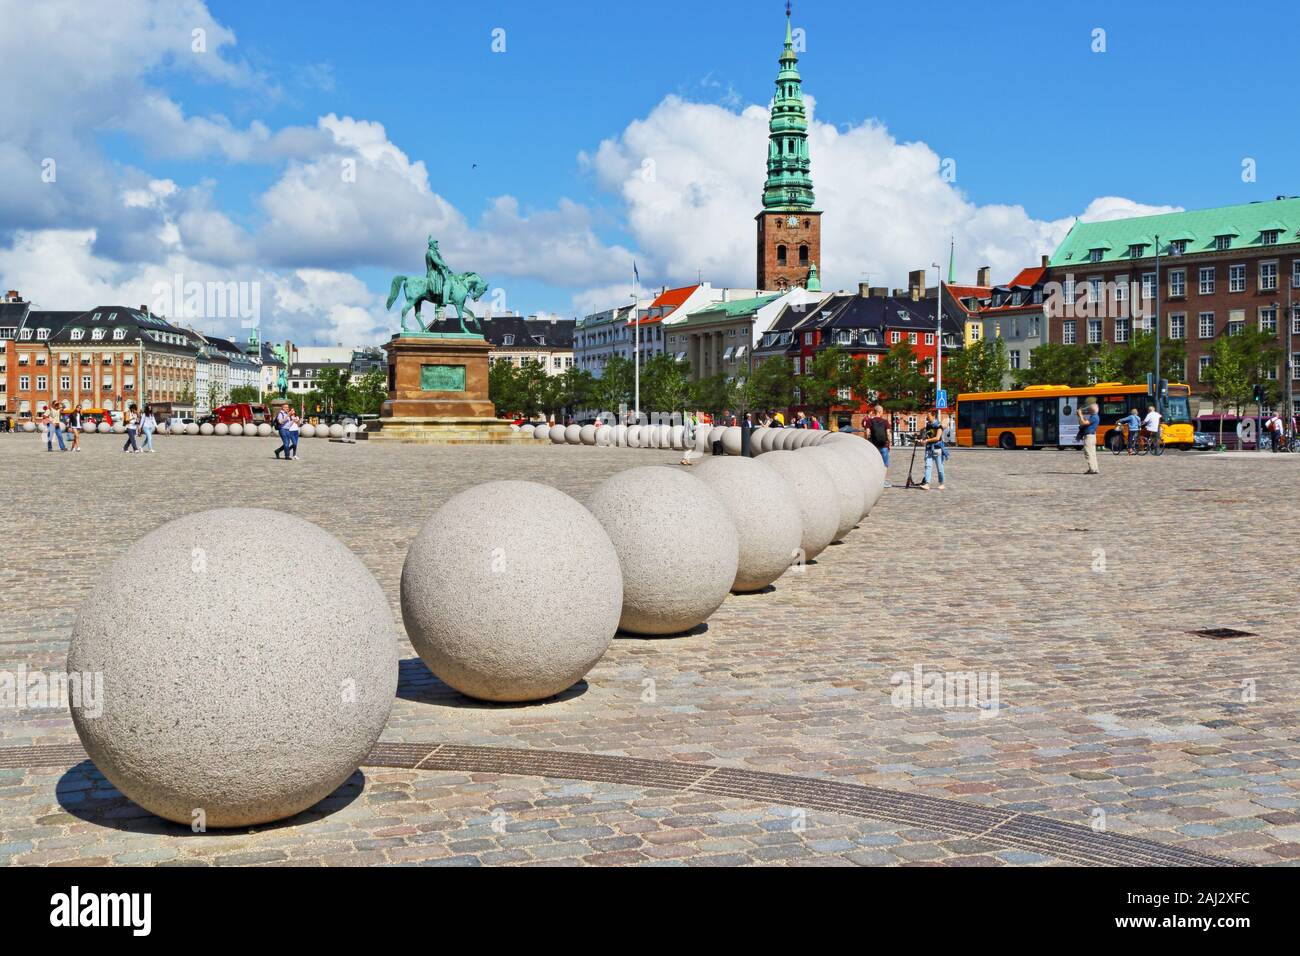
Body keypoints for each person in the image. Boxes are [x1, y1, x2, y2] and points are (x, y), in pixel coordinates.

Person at [920, 412, 945, 490]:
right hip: (929, 448)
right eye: (927, 416)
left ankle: (941, 483)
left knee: (939, 468)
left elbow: (937, 438)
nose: (927, 418)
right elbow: (926, 436)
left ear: (933, 416)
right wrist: (922, 440)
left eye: (928, 416)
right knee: (928, 466)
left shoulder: (939, 426)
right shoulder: (928, 426)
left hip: (937, 448)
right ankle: (927, 483)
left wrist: (927, 440)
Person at [1078, 402, 1100, 474]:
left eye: (1089, 409)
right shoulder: (1095, 416)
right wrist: (1081, 416)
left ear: (1091, 410)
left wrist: (1081, 415)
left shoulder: (1093, 417)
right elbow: (1085, 422)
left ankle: (1092, 469)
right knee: (1093, 453)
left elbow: (1084, 423)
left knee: (1088, 453)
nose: (1088, 410)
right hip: (1092, 436)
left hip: (1089, 437)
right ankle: (1095, 468)